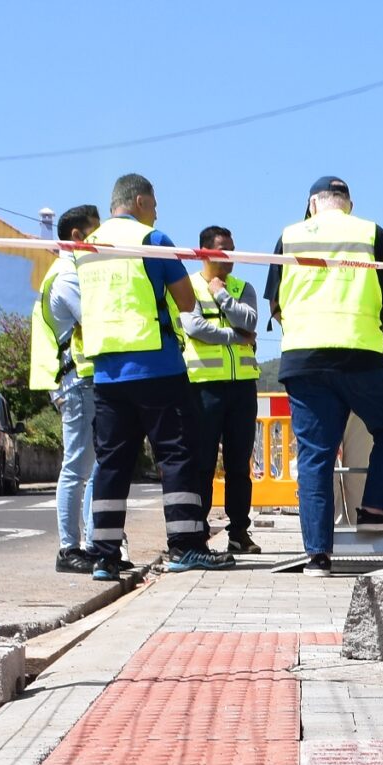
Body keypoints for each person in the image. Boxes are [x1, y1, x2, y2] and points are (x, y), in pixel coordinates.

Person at [265, 175, 383, 575]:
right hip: (359, 356)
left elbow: (275, 306)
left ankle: (318, 556)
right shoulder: (370, 233)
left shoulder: (289, 236)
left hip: (304, 358)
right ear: (347, 204)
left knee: (315, 457)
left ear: (313, 204)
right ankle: (375, 509)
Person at [78, 173, 230, 580]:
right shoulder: (153, 240)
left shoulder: (87, 248)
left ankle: (104, 555)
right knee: (178, 454)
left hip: (107, 372)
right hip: (156, 366)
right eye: (155, 204)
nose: (157, 212)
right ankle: (186, 545)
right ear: (140, 201)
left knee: (111, 464)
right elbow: (186, 300)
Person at [27, 203, 102, 571]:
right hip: (77, 382)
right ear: (77, 235)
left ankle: (93, 543)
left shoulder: (69, 272)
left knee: (93, 467)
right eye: (95, 233)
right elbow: (94, 319)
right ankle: (69, 549)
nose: (101, 240)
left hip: (83, 381)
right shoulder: (68, 276)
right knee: (77, 468)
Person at [182, 225, 263, 555]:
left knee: (239, 465)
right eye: (222, 249)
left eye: (232, 248)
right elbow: (195, 328)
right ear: (204, 252)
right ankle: (198, 533)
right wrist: (236, 337)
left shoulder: (242, 288)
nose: (229, 255)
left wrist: (222, 295)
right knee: (202, 463)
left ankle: (239, 532)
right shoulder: (187, 286)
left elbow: (250, 321)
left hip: (242, 387)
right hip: (203, 387)